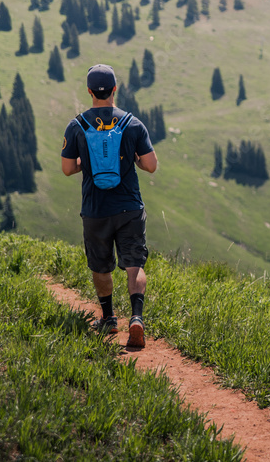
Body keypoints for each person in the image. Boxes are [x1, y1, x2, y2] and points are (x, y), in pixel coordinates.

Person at [61, 64, 158, 348]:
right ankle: (136, 318)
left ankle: (108, 318)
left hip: (95, 210)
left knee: (100, 267)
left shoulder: (77, 126)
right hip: (129, 207)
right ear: (115, 89)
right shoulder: (132, 124)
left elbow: (67, 169)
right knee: (134, 264)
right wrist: (136, 160)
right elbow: (151, 166)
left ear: (90, 91)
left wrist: (86, 164)